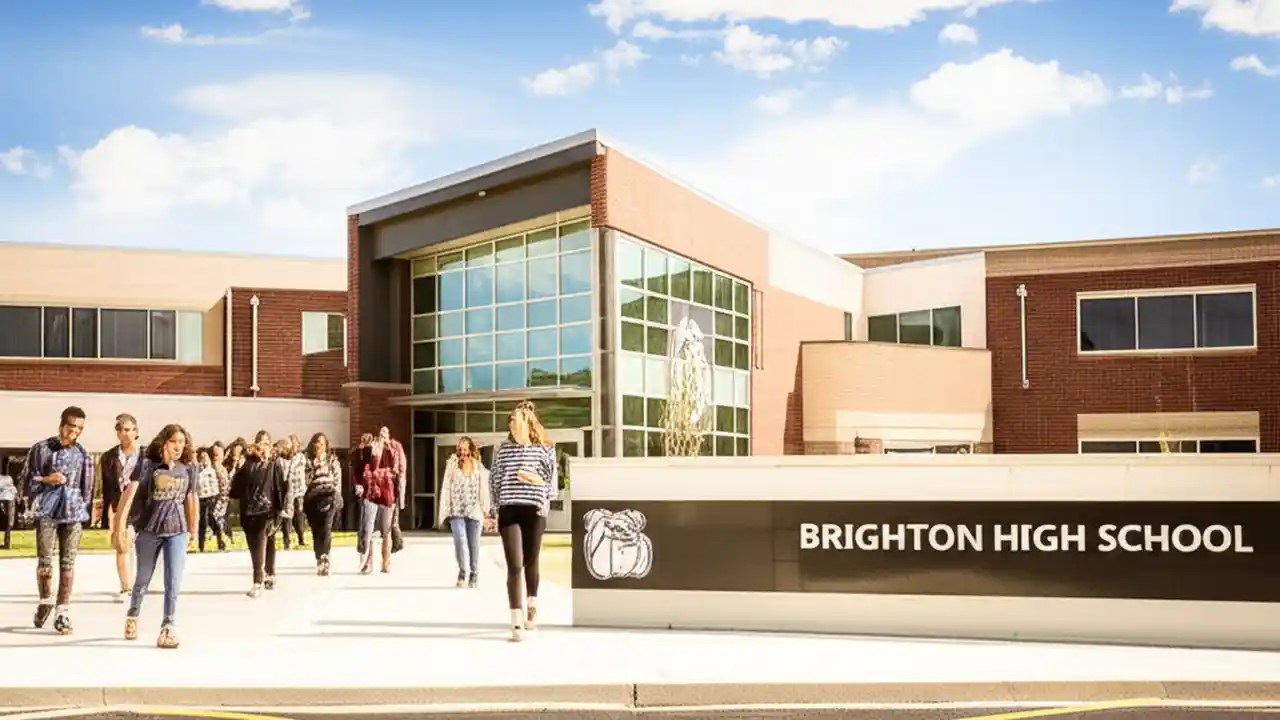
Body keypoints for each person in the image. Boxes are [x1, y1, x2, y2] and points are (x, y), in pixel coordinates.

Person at [111, 424, 198, 649]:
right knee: (142, 580)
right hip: (150, 528)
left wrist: (193, 529)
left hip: (177, 529)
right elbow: (131, 493)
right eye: (174, 442)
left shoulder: (188, 467)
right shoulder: (148, 465)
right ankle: (133, 612)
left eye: (182, 442)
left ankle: (168, 624)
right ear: (164, 442)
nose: (179, 446)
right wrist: (122, 524)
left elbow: (191, 498)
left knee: (173, 579)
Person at [488, 400, 557, 642]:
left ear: (527, 423)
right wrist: (495, 509)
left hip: (534, 512)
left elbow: (552, 487)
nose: (511, 423)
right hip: (509, 512)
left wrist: (536, 481)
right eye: (509, 421)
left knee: (531, 560)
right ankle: (516, 618)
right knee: (514, 564)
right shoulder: (503, 450)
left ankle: (532, 603)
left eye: (514, 419)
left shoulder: (546, 450)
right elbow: (494, 481)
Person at [24, 406, 95, 634]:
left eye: (79, 428)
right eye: (72, 426)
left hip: (73, 513)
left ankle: (62, 611)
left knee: (68, 563)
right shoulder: (42, 449)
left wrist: (86, 510)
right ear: (62, 425)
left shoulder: (83, 455)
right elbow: (27, 482)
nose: (75, 431)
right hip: (47, 512)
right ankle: (45, 601)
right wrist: (48, 479)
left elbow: (88, 488)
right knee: (45, 561)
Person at [230, 431, 287, 597]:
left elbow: (280, 486)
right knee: (257, 544)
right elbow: (236, 488)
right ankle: (269, 572)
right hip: (249, 510)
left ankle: (258, 580)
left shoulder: (274, 464)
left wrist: (280, 509)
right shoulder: (248, 464)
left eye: (267, 443)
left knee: (262, 541)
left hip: (267, 510)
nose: (264, 447)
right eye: (261, 443)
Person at [438, 436, 490, 588]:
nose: (463, 454)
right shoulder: (452, 465)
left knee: (474, 544)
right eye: (460, 450)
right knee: (460, 541)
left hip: (474, 511)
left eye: (466, 450)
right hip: (456, 510)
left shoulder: (478, 466)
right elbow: (446, 487)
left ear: (471, 451)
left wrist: (486, 509)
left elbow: (484, 489)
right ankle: (462, 571)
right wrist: (445, 509)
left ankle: (474, 574)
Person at [100, 413, 141, 602]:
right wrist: (109, 515)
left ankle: (140, 585)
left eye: (128, 429)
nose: (124, 434)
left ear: (136, 431)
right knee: (122, 546)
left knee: (142, 548)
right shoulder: (108, 457)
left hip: (141, 506)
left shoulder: (145, 456)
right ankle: (126, 588)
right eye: (120, 430)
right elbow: (108, 489)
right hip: (120, 505)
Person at [355, 431, 399, 575]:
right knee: (369, 529)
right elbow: (362, 470)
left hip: (387, 495)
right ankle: (368, 563)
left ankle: (386, 562)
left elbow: (397, 471)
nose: (382, 439)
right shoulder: (368, 453)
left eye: (385, 436)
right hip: (371, 494)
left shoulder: (391, 451)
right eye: (380, 436)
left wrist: (398, 496)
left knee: (386, 530)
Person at [301, 432, 343, 576]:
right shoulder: (307, 462)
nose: (319, 445)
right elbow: (305, 482)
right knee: (316, 530)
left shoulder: (332, 460)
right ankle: (319, 556)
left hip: (328, 496)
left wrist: (337, 497)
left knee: (326, 527)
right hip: (313, 498)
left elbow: (337, 481)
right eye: (317, 442)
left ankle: (325, 557)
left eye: (322, 443)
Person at [378, 427, 407, 553]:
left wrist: (400, 478)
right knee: (386, 517)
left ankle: (397, 542)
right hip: (382, 485)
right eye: (380, 434)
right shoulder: (378, 448)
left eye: (384, 433)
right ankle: (395, 541)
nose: (382, 436)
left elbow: (402, 465)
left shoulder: (396, 447)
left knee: (393, 516)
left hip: (394, 485)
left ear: (389, 435)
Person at [279, 435, 307, 550]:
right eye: (291, 444)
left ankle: (301, 538)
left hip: (299, 490)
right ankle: (286, 540)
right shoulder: (282, 459)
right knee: (286, 515)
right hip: (287, 491)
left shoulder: (301, 457)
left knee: (299, 515)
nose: (294, 447)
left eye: (295, 444)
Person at [195, 448, 224, 552]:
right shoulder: (197, 470)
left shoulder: (212, 469)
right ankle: (201, 545)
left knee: (210, 517)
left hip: (212, 497)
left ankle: (220, 538)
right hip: (201, 498)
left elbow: (218, 483)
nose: (204, 459)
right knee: (202, 521)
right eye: (202, 457)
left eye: (206, 457)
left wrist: (218, 497)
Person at [350, 433, 373, 558]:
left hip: (369, 491)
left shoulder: (362, 454)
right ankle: (364, 551)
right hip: (365, 492)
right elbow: (356, 471)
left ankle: (364, 552)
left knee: (366, 523)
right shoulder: (359, 454)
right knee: (366, 523)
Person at [209, 442, 233, 549]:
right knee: (215, 518)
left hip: (223, 499)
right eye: (214, 454)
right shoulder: (212, 468)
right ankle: (221, 538)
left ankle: (222, 539)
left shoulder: (222, 469)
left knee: (219, 518)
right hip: (214, 498)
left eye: (218, 453)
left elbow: (226, 485)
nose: (216, 456)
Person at [0, 459, 17, 550]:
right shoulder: (3, 478)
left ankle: (7, 542)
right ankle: (5, 542)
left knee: (10, 522)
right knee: (6, 522)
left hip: (9, 500)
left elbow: (13, 489)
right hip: (4, 500)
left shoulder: (9, 478)